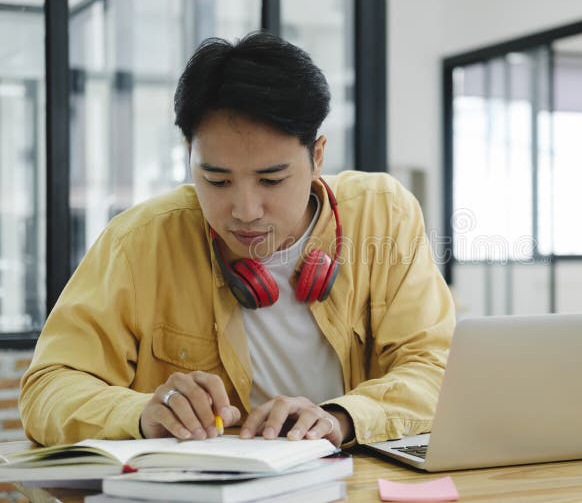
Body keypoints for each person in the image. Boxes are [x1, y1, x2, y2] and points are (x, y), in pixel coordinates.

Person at [20, 31, 455, 448]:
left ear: (317, 156)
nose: (245, 210)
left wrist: (341, 418)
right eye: (217, 179)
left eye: (271, 179)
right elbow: (49, 388)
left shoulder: (382, 214)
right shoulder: (139, 241)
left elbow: (437, 369)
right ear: (189, 153)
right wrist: (139, 413)